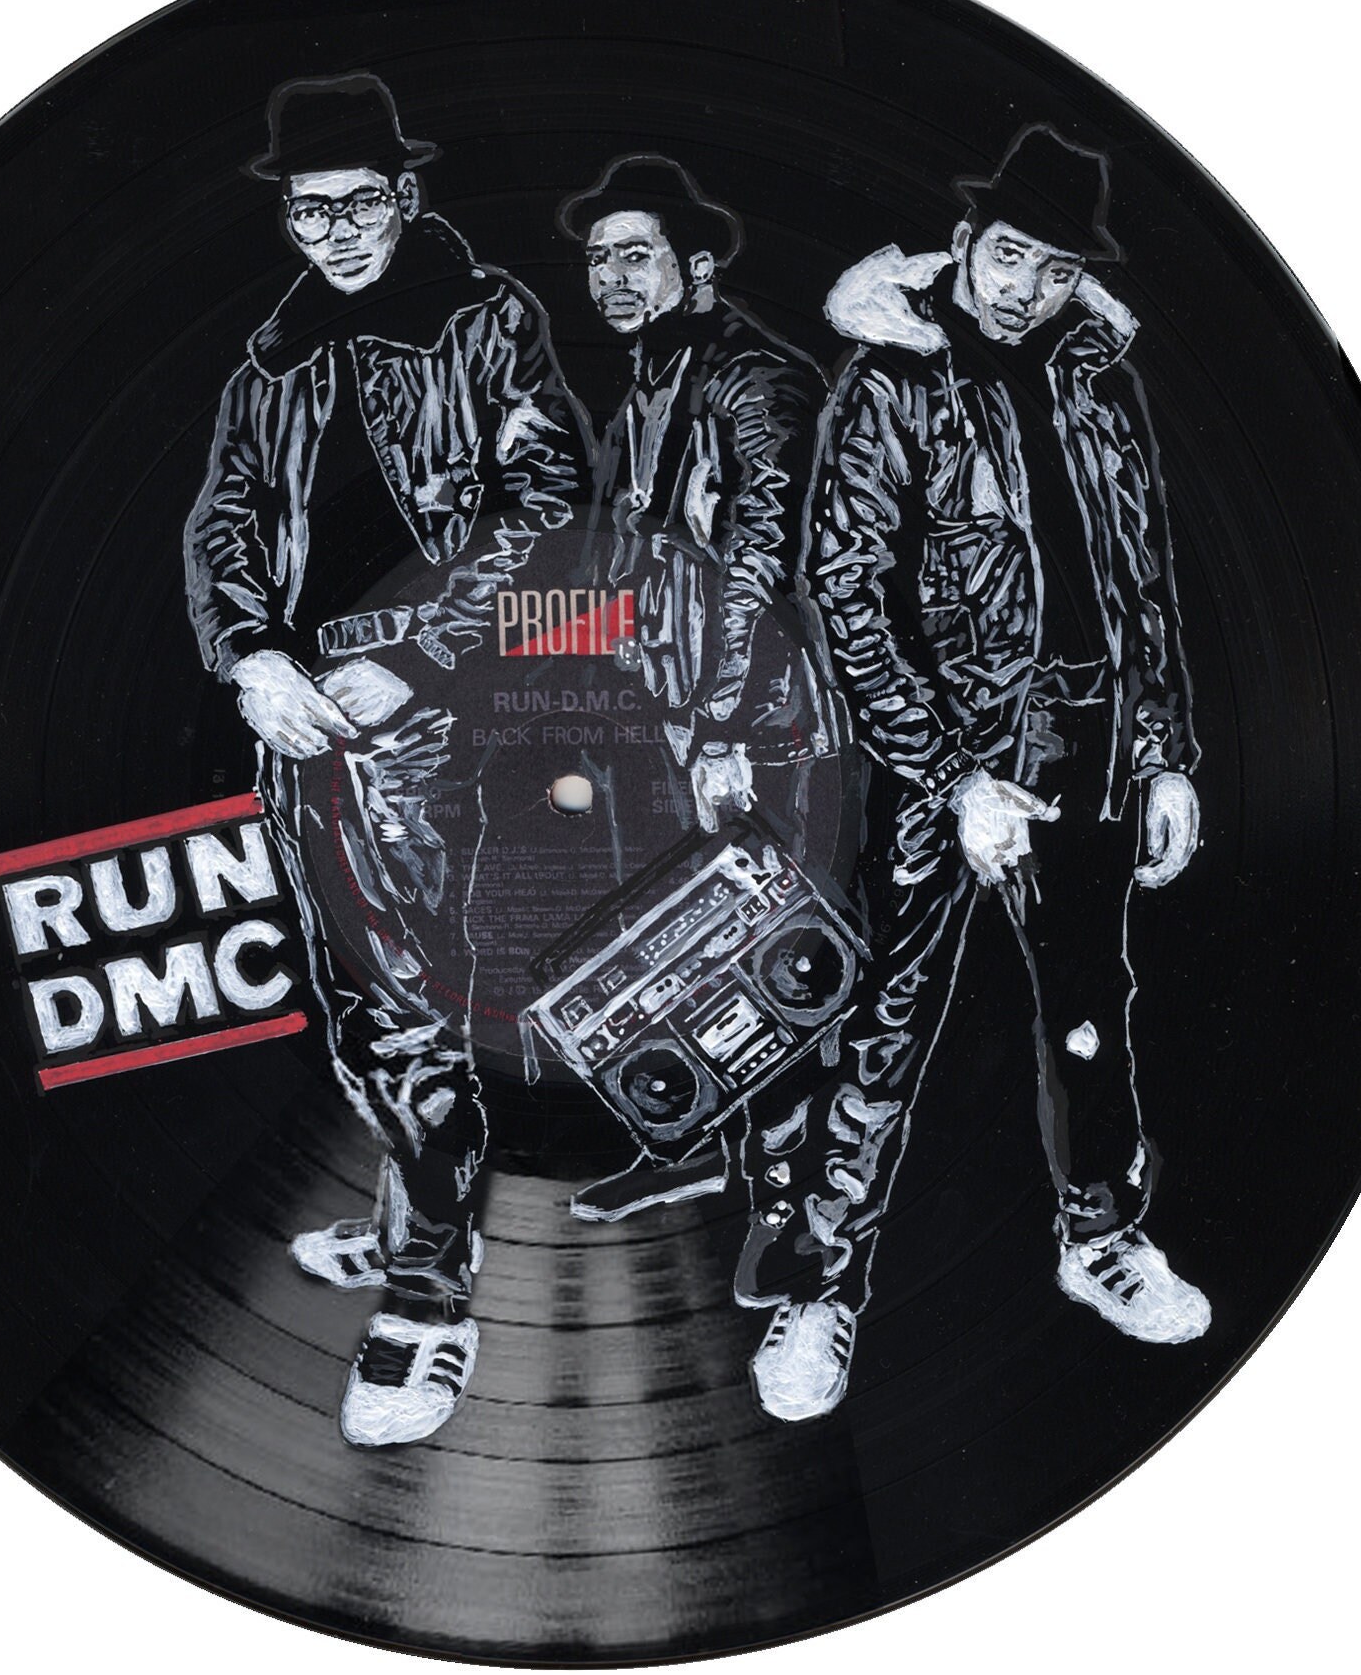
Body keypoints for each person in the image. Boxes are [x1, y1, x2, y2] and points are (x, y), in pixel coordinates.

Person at [739, 124, 1209, 1423]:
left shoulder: (1097, 378)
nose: (1025, 288)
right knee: (879, 1021)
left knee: (1086, 1008)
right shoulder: (891, 375)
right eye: (1009, 256)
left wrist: (1163, 751)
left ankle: (1101, 1236)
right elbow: (844, 596)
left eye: (1055, 270)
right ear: (964, 241)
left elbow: (1140, 576)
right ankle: (818, 1288)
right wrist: (951, 776)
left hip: (1084, 746)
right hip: (926, 760)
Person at [183, 72, 586, 1447]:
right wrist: (252, 659)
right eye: (312, 212)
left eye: (360, 204)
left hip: (455, 711)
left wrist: (418, 659)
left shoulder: (486, 319)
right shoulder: (271, 365)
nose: (338, 233)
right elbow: (225, 522)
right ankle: (420, 1208)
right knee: (365, 1004)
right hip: (306, 719)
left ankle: (426, 1305)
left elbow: (548, 508)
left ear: (407, 198)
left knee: (419, 1007)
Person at [553, 154, 832, 1225]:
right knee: (678, 944)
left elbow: (762, 563)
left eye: (637, 255)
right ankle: (690, 1147)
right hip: (661, 714)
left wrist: (721, 726)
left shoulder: (756, 380)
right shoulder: (646, 381)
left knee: (766, 945)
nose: (612, 277)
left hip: (748, 719)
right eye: (598, 259)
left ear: (698, 267)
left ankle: (782, 1205)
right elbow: (620, 560)